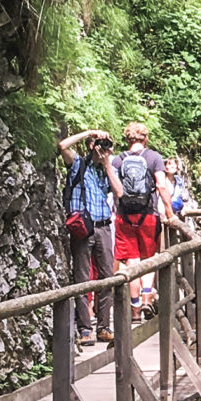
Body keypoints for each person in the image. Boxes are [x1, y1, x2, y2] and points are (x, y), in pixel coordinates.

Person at [57, 129, 117, 340]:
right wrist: (89, 133)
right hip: (82, 227)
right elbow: (62, 146)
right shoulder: (78, 165)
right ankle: (85, 328)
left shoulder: (107, 170)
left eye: (107, 145)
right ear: (91, 146)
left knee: (107, 277)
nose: (103, 148)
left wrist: (107, 163)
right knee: (82, 278)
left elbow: (119, 192)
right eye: (100, 144)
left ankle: (104, 327)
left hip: (103, 226)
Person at [109, 121, 171, 306]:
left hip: (124, 216)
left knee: (132, 260)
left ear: (127, 139)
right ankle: (146, 298)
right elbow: (161, 185)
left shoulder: (118, 160)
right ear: (146, 138)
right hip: (148, 215)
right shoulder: (154, 158)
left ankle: (134, 306)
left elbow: (114, 189)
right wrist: (170, 212)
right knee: (148, 257)